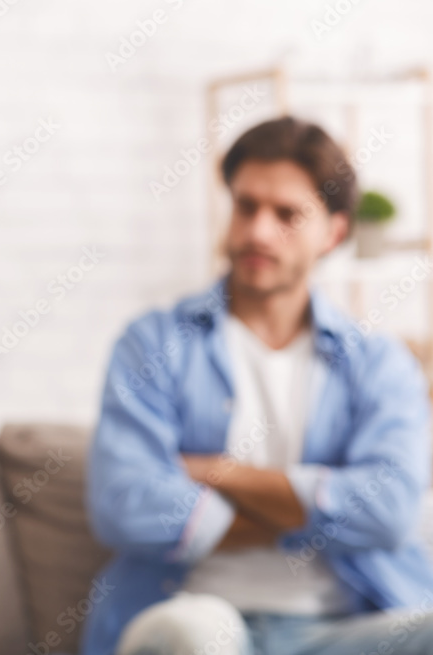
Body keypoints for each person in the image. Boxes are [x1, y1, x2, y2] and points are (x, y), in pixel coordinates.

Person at [80, 116, 433, 655]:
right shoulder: (152, 345)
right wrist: (318, 507)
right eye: (246, 206)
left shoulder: (379, 363)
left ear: (334, 232)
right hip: (201, 616)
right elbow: (124, 505)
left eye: (287, 214)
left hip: (344, 628)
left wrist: (218, 474)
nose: (258, 231)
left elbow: (388, 512)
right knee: (188, 637)